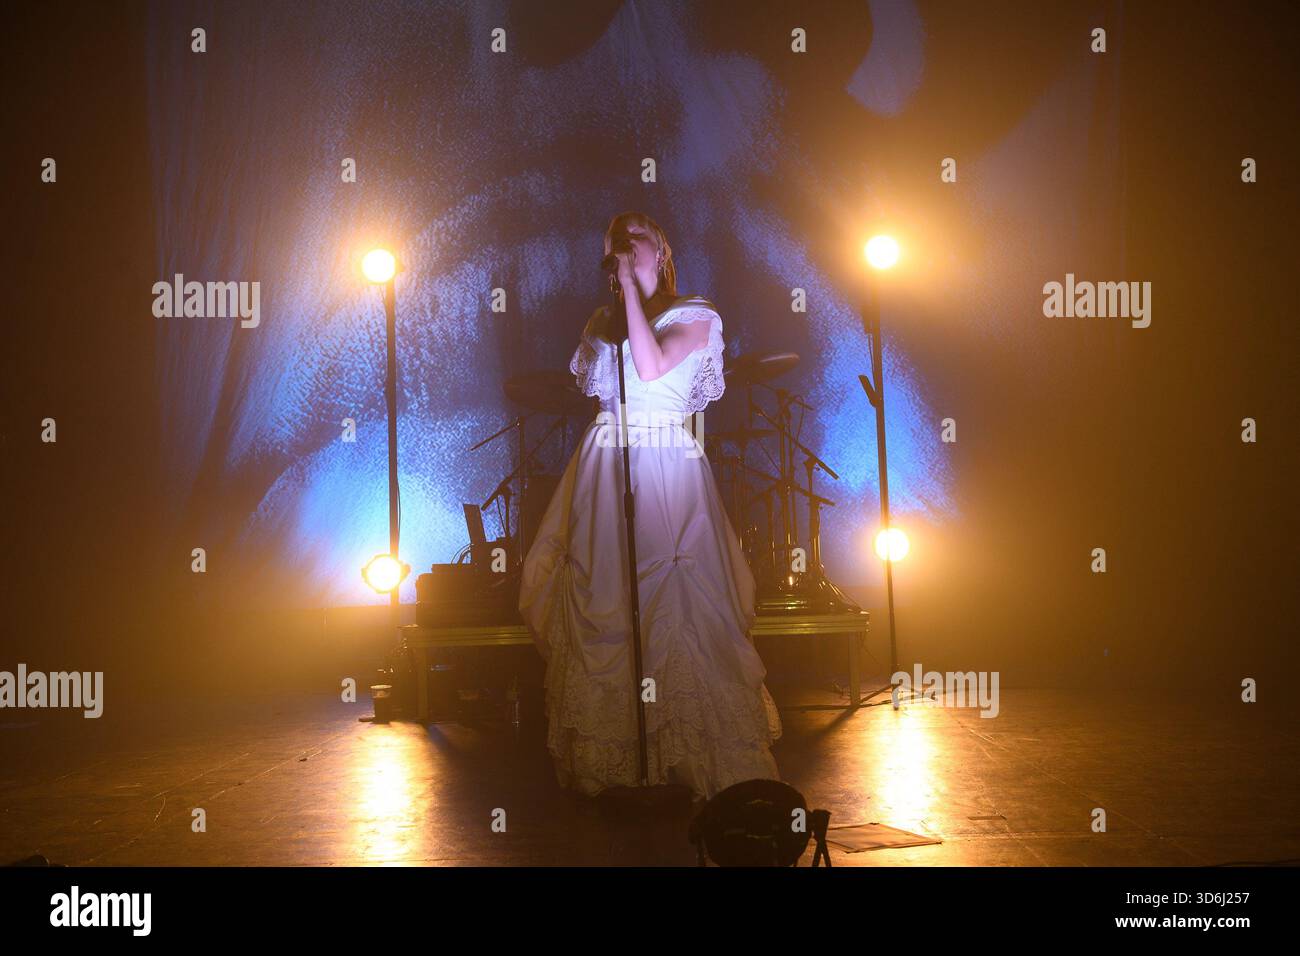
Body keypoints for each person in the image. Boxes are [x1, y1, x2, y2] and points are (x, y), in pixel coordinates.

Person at [518, 212, 782, 802]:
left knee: (674, 598)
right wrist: (623, 300)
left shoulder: (695, 313)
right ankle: (620, 763)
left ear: (661, 251)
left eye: (637, 235)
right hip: (606, 462)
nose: (624, 243)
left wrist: (634, 294)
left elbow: (651, 366)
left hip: (664, 463)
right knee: (605, 599)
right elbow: (604, 388)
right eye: (615, 238)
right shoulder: (601, 322)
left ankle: (689, 755)